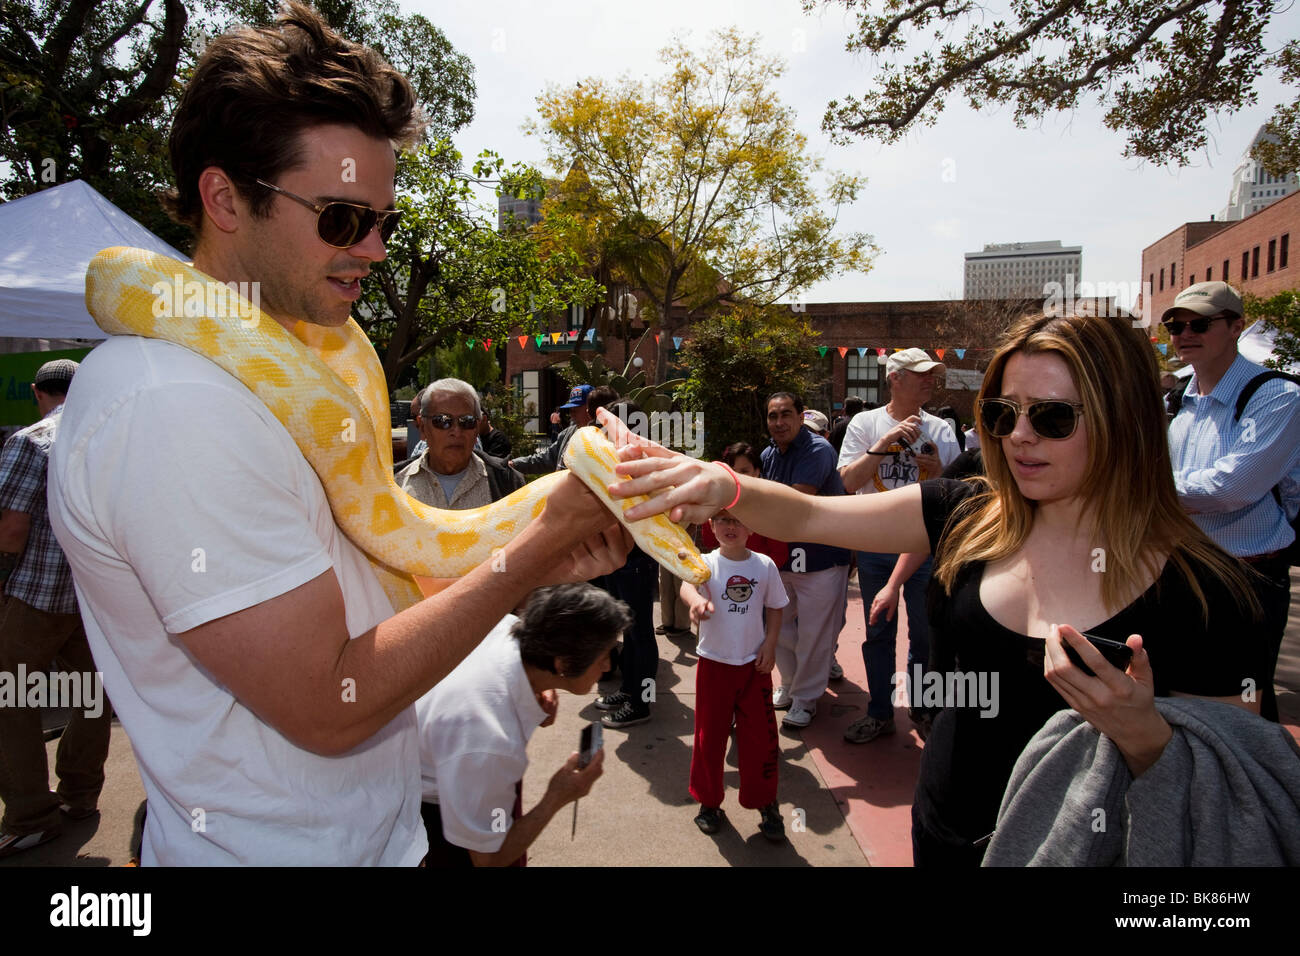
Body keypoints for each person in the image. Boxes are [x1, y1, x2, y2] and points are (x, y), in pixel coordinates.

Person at [45, 5, 629, 865]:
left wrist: (540, 561)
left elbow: (382, 583)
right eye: (342, 219)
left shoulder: (306, 358)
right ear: (224, 197)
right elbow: (331, 700)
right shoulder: (172, 406)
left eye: (385, 220)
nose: (377, 248)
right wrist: (539, 541)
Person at [608, 311, 1264, 867]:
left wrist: (1146, 735)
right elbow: (810, 514)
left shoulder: (1207, 592)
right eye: (1004, 413)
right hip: (944, 831)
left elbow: (1236, 791)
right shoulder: (964, 510)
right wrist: (722, 485)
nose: (1019, 436)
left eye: (1054, 416)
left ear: (1126, 419)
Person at [1163, 280, 1300, 722]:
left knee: (1242, 715)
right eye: (1175, 324)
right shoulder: (1181, 402)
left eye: (1200, 323)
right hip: (1183, 570)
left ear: (1237, 325)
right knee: (1181, 703)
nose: (1185, 333)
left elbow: (1232, 488)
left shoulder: (1279, 396)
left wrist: (1144, 488)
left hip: (1248, 579)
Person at [415, 584, 625, 866]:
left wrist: (541, 687)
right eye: (603, 657)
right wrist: (556, 796)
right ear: (562, 664)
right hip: (437, 821)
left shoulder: (507, 626)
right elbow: (488, 859)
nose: (609, 667)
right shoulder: (490, 741)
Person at [0, 360, 113, 859]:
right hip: (91, 596)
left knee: (11, 700)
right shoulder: (107, 440)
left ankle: (30, 816)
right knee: (90, 692)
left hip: (35, 595)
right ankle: (80, 795)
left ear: (36, 392)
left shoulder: (31, 442)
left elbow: (10, 530)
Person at [837, 349, 960, 743]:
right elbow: (848, 482)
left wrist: (937, 470)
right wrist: (885, 443)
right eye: (921, 374)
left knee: (925, 635)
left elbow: (957, 493)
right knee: (878, 633)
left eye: (932, 375)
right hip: (875, 545)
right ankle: (879, 711)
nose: (929, 381)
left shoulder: (941, 430)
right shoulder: (865, 423)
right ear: (895, 378)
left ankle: (922, 710)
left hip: (924, 547)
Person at [681, 508, 787, 841]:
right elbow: (687, 585)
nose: (731, 526)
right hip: (714, 665)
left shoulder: (764, 565)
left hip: (755, 665)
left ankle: (765, 800)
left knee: (761, 738)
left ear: (752, 526)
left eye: (739, 519)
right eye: (723, 519)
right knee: (708, 738)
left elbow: (776, 607)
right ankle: (709, 802)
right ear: (710, 525)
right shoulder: (706, 563)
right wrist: (695, 603)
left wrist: (770, 644)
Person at [759, 392, 850, 729]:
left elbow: (795, 502)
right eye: (772, 416)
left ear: (800, 417)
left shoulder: (818, 450)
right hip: (781, 558)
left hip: (822, 558)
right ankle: (790, 683)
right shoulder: (768, 453)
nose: (779, 422)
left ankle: (807, 698)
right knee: (778, 627)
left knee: (815, 632)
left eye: (786, 414)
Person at [397, 380, 523, 508]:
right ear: (423, 427)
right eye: (442, 421)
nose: (456, 432)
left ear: (477, 429)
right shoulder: (393, 484)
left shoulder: (507, 483)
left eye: (467, 421)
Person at [510, 384, 592, 474]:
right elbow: (546, 459)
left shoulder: (604, 436)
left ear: (590, 408)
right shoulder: (567, 434)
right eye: (571, 410)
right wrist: (515, 464)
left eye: (576, 410)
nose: (572, 414)